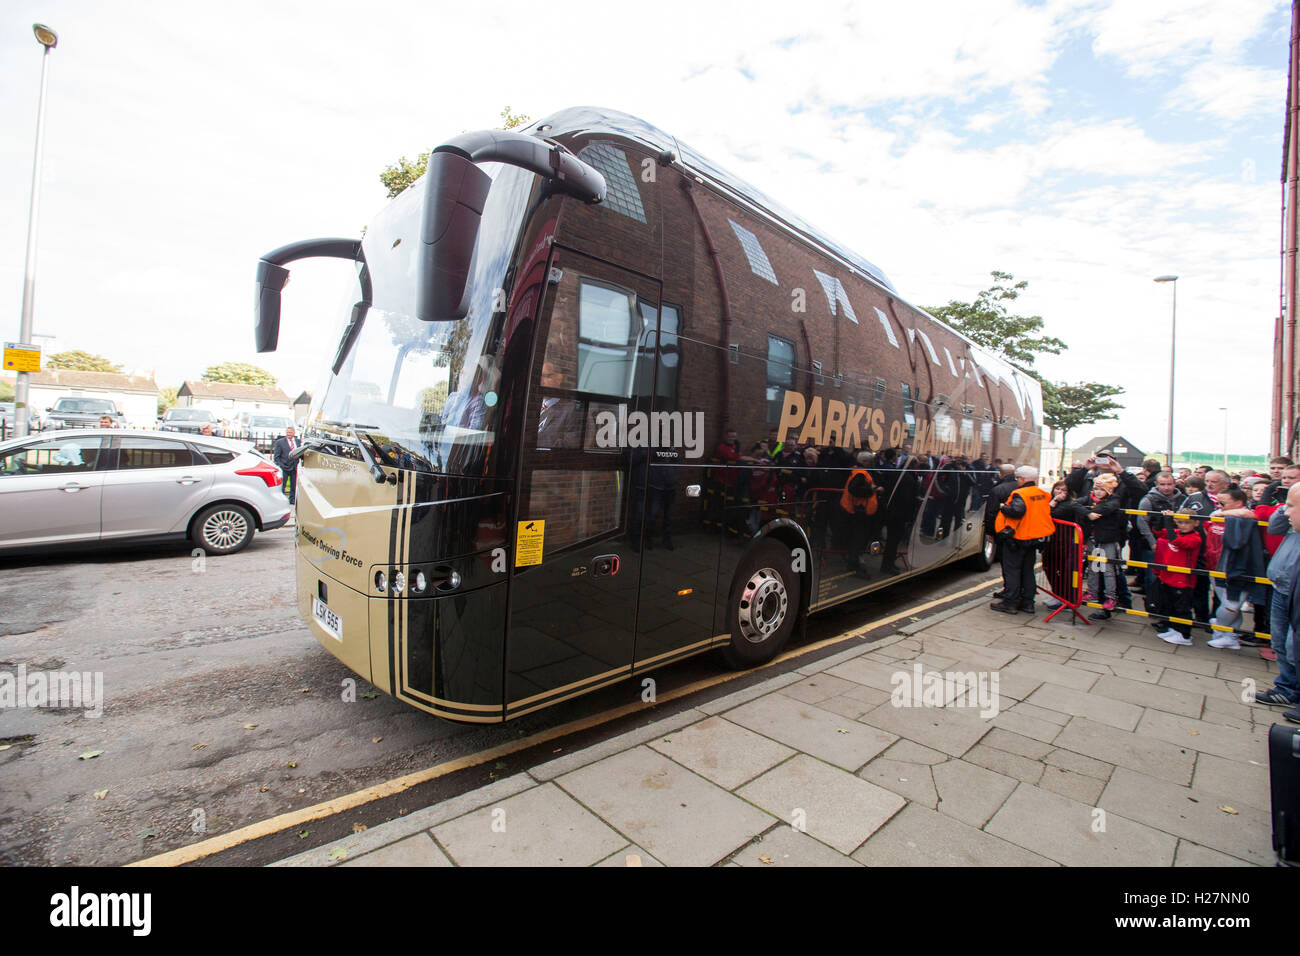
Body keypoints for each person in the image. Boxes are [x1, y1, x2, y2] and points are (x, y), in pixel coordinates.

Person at [1205, 487, 1268, 649]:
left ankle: (1221, 628)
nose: (1218, 506)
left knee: (1231, 605)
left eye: (1222, 503)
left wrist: (1221, 514)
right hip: (1216, 566)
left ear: (1238, 503)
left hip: (1238, 567)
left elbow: (1249, 515)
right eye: (1217, 502)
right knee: (1228, 604)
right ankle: (1229, 636)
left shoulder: (1244, 518)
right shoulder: (1218, 516)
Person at [1256, 483, 1300, 709]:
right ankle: (1287, 687)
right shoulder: (1293, 523)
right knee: (1281, 642)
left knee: (1295, 647)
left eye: (1291, 506)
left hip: (1295, 593)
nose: (1287, 510)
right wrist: (1285, 505)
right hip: (1282, 588)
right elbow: (1274, 527)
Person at [990, 465, 1053, 614]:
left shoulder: (1020, 493)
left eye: (1018, 478)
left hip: (1019, 538)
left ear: (1023, 479)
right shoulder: (1042, 493)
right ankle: (1028, 603)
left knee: (1012, 570)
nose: (1018, 481)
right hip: (1035, 538)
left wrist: (1003, 507)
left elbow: (1017, 511)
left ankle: (1010, 602)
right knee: (1028, 571)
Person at [1150, 512, 1204, 646]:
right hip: (1169, 575)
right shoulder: (1175, 531)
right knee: (1171, 605)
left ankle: (1185, 635)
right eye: (1179, 522)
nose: (1183, 526)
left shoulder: (1195, 538)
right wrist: (1162, 518)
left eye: (1187, 523)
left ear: (1196, 523)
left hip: (1182, 578)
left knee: (1182, 608)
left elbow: (1176, 541)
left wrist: (1168, 521)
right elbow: (1158, 532)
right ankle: (1175, 629)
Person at [1081, 473, 1126, 619]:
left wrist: (1090, 512)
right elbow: (1074, 504)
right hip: (1093, 539)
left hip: (1107, 540)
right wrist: (1087, 513)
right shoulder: (1089, 499)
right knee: (1094, 567)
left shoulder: (1114, 500)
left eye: (1102, 490)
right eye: (1096, 489)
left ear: (1109, 491)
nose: (1098, 492)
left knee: (1108, 569)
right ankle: (1092, 592)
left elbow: (1108, 508)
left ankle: (1111, 597)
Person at [273, 425, 302, 506]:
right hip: (284, 467)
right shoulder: (280, 442)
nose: (288, 434)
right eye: (287, 432)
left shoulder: (298, 442)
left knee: (294, 485)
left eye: (290, 432)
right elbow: (276, 457)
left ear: (294, 433)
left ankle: (292, 500)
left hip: (294, 467)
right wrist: (281, 466)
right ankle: (281, 501)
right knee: (283, 485)